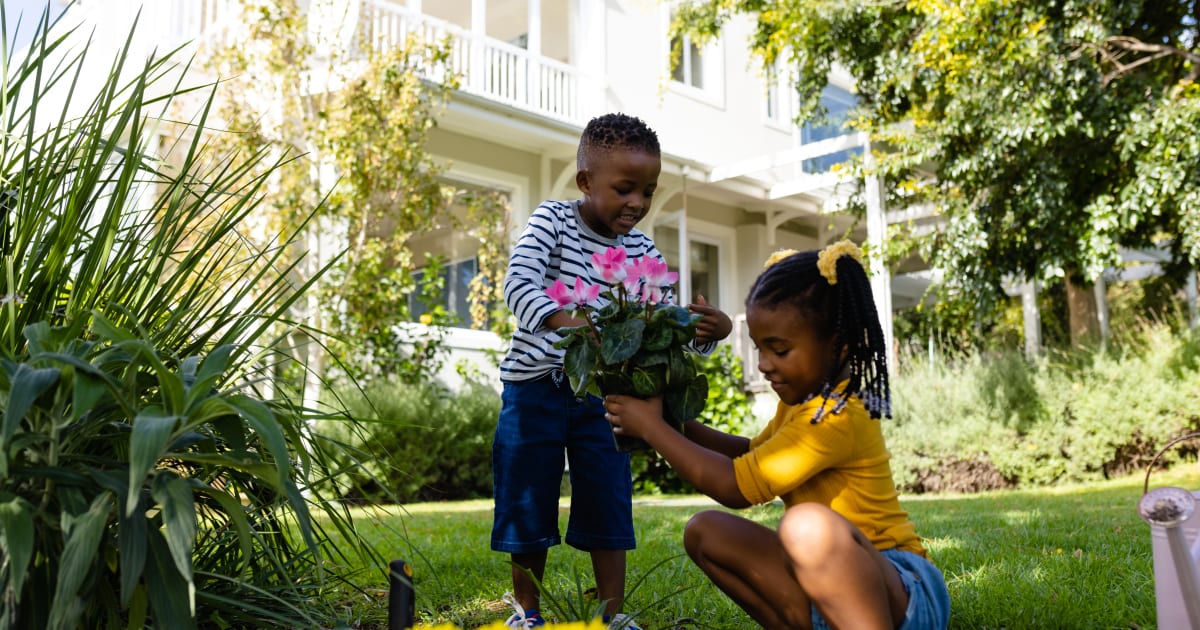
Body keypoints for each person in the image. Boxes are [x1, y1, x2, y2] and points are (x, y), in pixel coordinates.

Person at [603, 241, 950, 630]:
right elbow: (752, 455)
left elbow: (735, 486)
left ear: (840, 343)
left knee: (805, 527)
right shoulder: (802, 400)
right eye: (759, 348)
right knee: (706, 531)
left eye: (779, 350)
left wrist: (652, 428)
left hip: (901, 590)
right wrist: (672, 423)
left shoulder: (836, 414)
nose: (764, 365)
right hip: (829, 591)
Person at [493, 112, 734, 629]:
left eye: (647, 191)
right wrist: (569, 321)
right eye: (625, 189)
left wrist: (709, 330)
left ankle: (611, 615)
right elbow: (517, 283)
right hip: (534, 387)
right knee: (527, 497)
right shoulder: (553, 221)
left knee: (608, 496)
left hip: (605, 395)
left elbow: (661, 327)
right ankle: (526, 612)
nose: (638, 204)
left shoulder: (641, 250)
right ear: (586, 181)